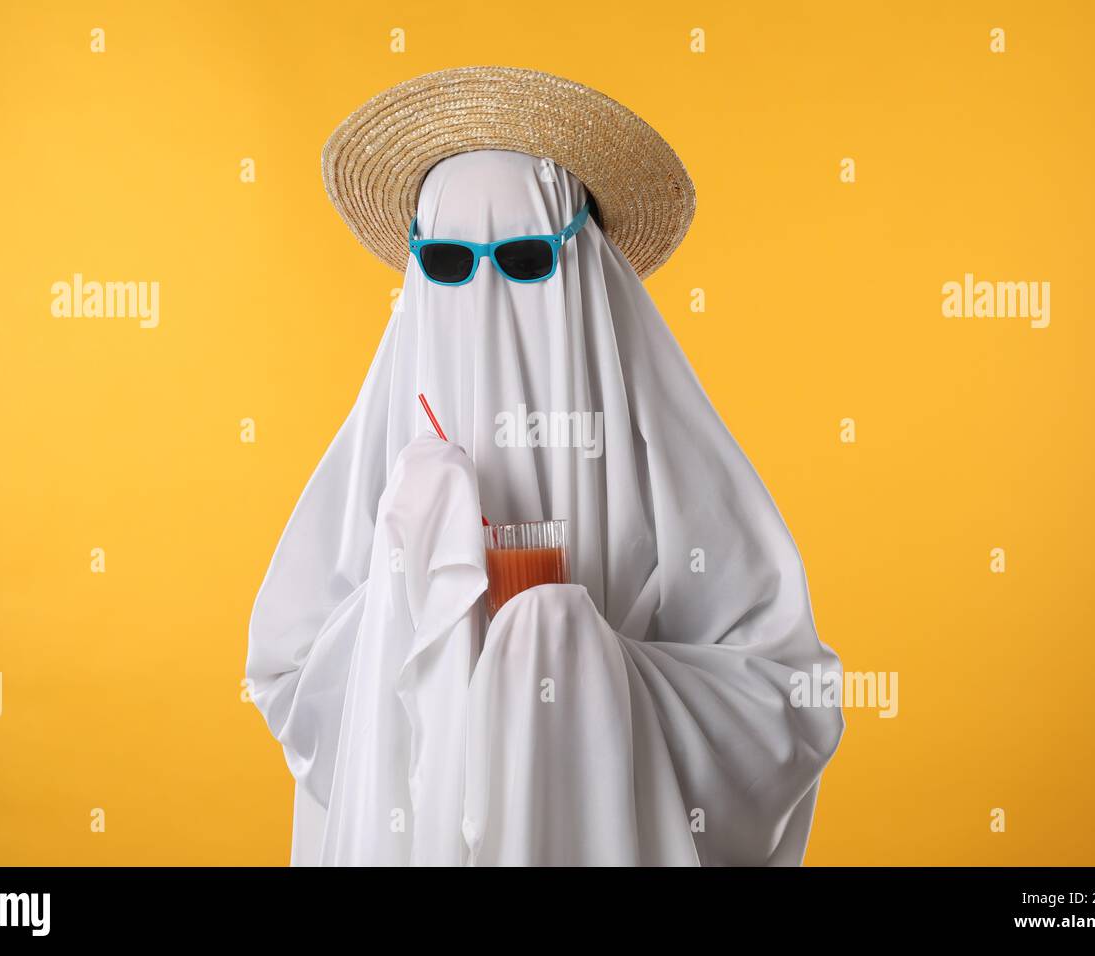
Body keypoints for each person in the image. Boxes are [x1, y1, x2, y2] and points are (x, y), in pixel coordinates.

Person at [247, 68, 843, 866]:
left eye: (525, 259)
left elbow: (787, 701)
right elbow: (287, 677)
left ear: (580, 260)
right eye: (451, 265)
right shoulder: (384, 459)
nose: (486, 297)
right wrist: (411, 590)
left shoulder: (657, 442)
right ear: (418, 270)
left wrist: (576, 666)